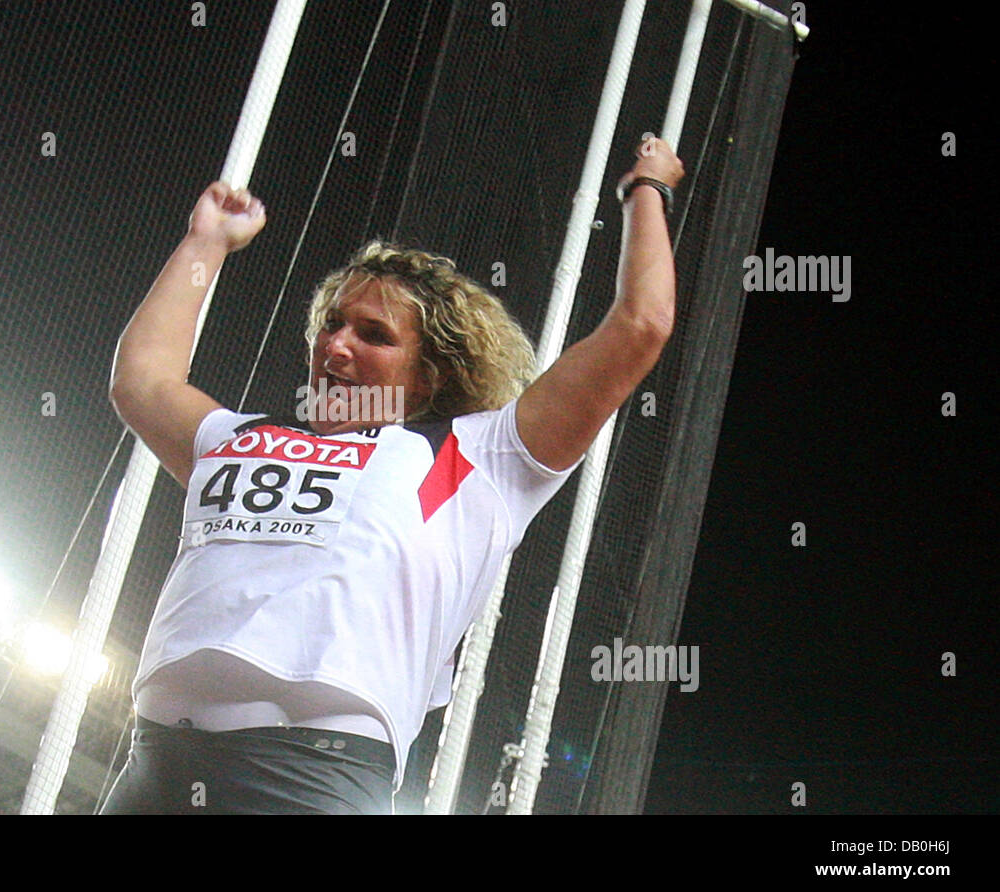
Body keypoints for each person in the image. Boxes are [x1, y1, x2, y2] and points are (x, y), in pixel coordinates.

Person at [101, 138, 684, 814]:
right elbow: (142, 381)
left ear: (430, 373)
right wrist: (206, 243)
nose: (335, 344)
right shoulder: (241, 437)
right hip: (155, 767)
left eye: (373, 335)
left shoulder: (479, 457)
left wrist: (649, 189)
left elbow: (641, 324)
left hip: (310, 777)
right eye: (331, 324)